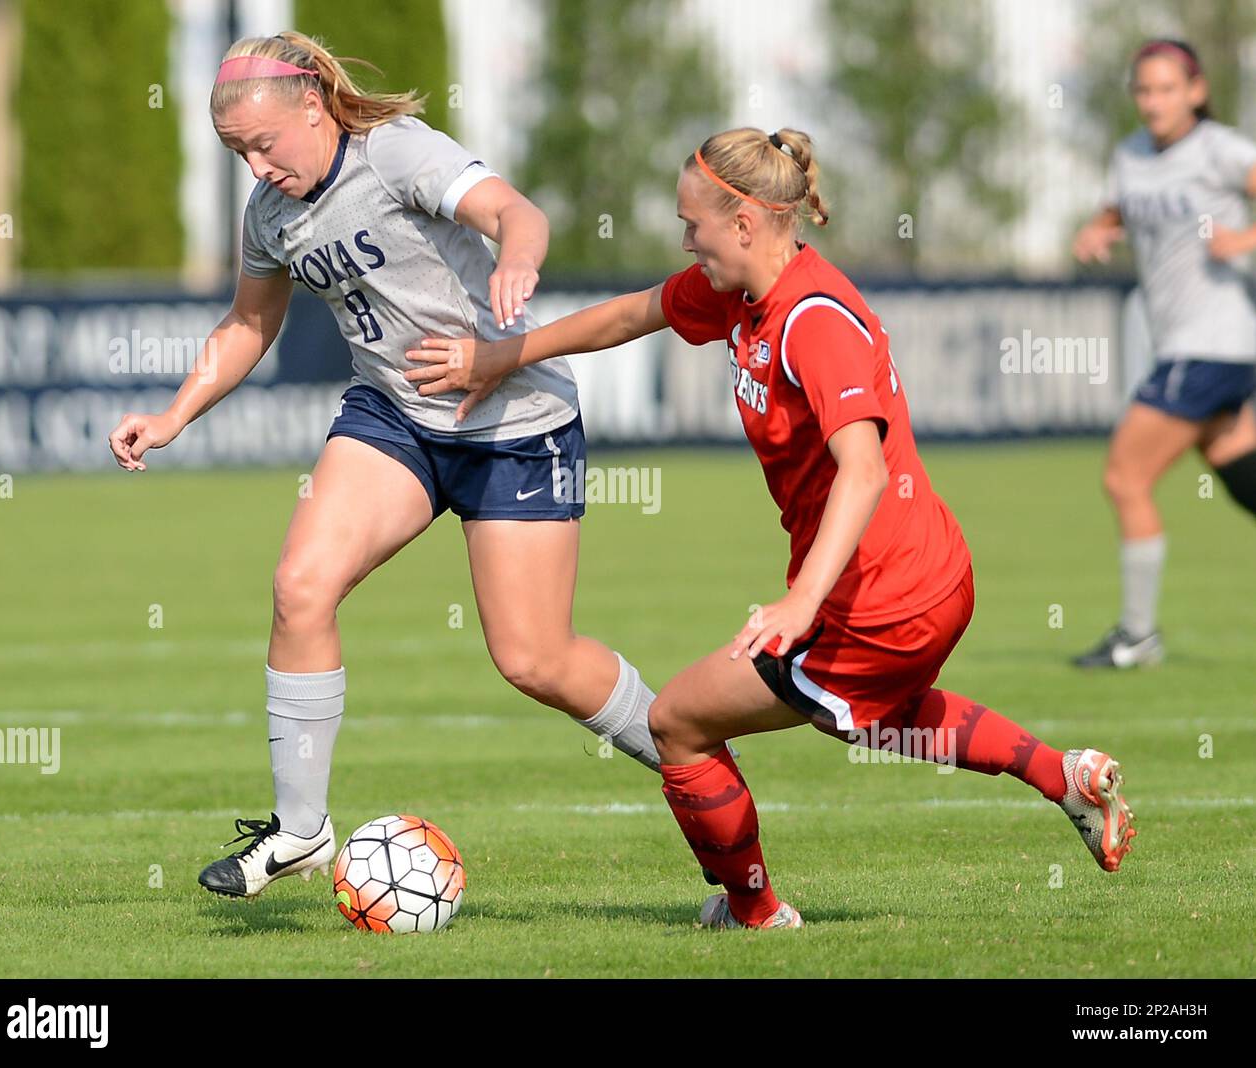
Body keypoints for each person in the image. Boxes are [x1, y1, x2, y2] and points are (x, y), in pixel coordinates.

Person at [406, 126, 1138, 930]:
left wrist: (799, 605)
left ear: (746, 225)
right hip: (919, 576)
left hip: (880, 595)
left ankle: (754, 913)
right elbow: (630, 314)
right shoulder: (741, 294)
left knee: (677, 722)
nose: (686, 241)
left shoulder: (812, 320)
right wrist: (500, 356)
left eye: (694, 225)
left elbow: (862, 469)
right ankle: (1062, 776)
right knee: (882, 719)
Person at [107, 31, 664, 899]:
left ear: (314, 106)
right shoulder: (271, 216)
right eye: (238, 153)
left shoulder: (395, 153)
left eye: (264, 143)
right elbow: (250, 325)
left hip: (511, 419)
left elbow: (518, 213)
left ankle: (689, 750)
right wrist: (172, 416)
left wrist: (517, 257)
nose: (256, 167)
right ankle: (300, 829)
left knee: (534, 659)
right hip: (394, 416)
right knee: (300, 588)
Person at [1072, 39, 1256, 669]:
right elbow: (1121, 206)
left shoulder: (1221, 150)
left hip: (1211, 344)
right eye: (1144, 90)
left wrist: (1245, 238)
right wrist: (1102, 227)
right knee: (1242, 472)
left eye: (1167, 89)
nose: (1153, 102)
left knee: (1126, 476)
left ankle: (1138, 635)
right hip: (1188, 346)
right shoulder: (1131, 155)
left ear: (1196, 91)